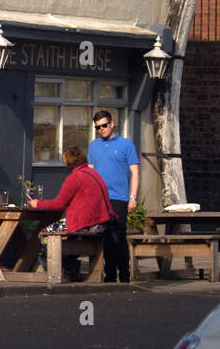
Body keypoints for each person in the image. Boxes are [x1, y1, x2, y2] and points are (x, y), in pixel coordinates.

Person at [31, 147, 115, 280]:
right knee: (66, 237)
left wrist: (37, 204)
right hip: (102, 223)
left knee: (44, 234)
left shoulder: (74, 178)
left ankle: (56, 274)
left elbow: (59, 204)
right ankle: (71, 270)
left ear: (67, 162)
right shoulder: (93, 174)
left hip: (85, 223)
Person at [87, 111, 139, 283]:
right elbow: (90, 171)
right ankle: (109, 275)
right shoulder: (94, 145)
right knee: (106, 236)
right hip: (100, 198)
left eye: (104, 125)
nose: (101, 129)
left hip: (119, 197)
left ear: (111, 124)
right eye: (97, 127)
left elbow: (135, 172)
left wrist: (133, 197)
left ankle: (124, 275)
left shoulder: (126, 144)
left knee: (119, 235)